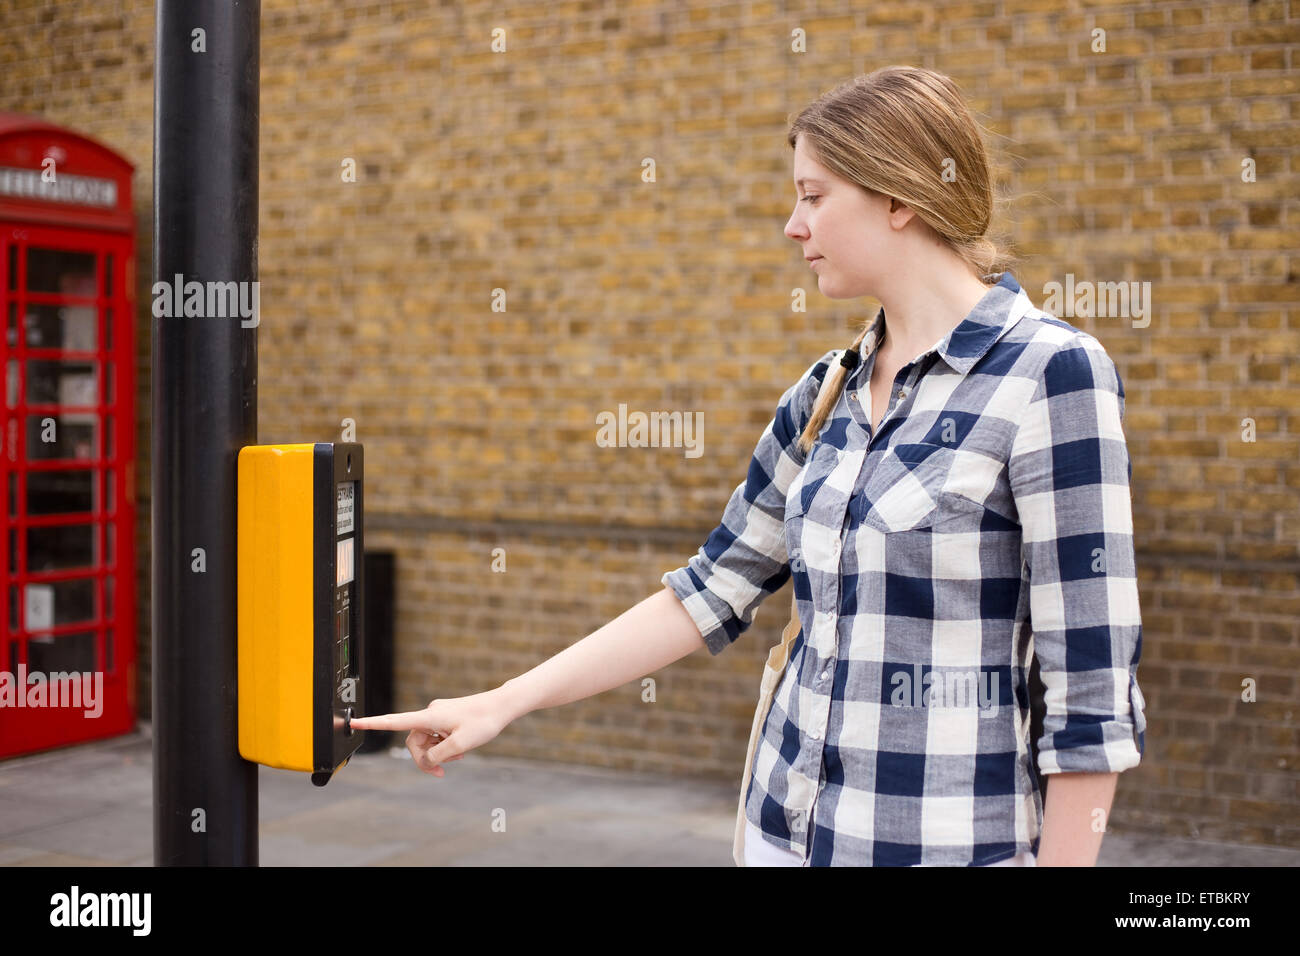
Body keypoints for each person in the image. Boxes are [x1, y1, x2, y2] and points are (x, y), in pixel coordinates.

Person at [350, 65, 1147, 867]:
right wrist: (502, 702)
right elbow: (706, 591)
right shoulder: (824, 392)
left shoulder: (1051, 376)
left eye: (813, 194)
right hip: (780, 841)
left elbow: (1092, 691)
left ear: (901, 197)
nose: (792, 226)